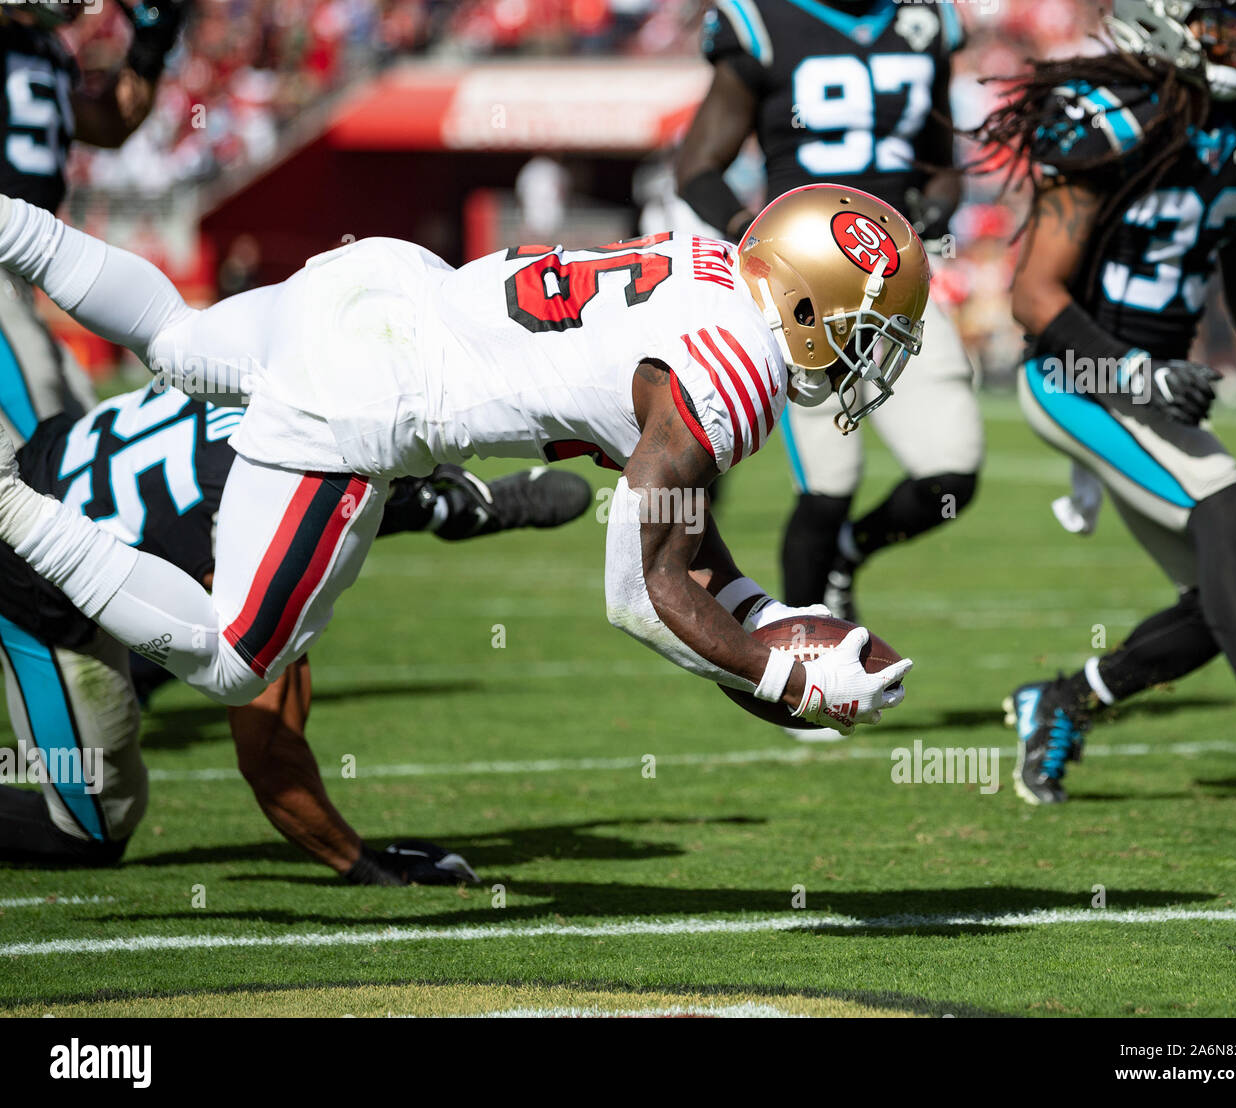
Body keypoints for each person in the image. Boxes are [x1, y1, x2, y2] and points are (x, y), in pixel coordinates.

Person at [0, 183, 920, 745]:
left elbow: (679, 537)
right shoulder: (741, 370)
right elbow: (643, 597)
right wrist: (785, 677)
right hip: (368, 393)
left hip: (386, 288)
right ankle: (8, 504)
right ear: (805, 308)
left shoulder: (711, 270)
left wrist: (766, 619)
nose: (866, 360)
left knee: (174, 336)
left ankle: (12, 225)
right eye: (868, 333)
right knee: (235, 655)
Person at [0, 382, 593, 882]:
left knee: (342, 498)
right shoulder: (240, 532)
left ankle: (446, 503)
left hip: (67, 459)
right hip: (38, 583)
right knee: (94, 830)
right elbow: (270, 760)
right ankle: (445, 504)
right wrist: (362, 864)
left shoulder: (282, 381)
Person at [972, 0, 1236, 811]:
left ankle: (1064, 702)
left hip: (1153, 382)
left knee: (1215, 605)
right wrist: (1134, 374)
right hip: (1075, 372)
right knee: (1230, 510)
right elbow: (1035, 297)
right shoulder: (1109, 119)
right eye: (1219, 20)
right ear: (1163, 20)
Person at [675, 0, 983, 626]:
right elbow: (697, 168)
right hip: (806, 295)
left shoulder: (923, 20)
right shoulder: (762, 22)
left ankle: (850, 554)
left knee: (952, 473)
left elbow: (942, 161)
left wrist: (927, 218)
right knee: (828, 485)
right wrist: (759, 235)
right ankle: (804, 656)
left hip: (899, 288)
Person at [0, 0, 188, 446]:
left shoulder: (48, 49)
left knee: (84, 431)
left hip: (21, 269)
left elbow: (109, 125)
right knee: (46, 442)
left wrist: (148, 48)